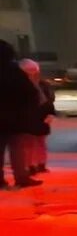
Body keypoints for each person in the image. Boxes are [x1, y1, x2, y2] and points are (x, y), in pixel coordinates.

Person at [1, 41, 43, 188]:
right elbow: (30, 93)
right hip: (15, 117)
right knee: (17, 149)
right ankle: (21, 177)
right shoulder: (14, 71)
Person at [19, 60, 55, 175]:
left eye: (35, 72)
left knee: (39, 142)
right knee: (28, 143)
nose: (33, 74)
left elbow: (49, 101)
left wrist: (51, 114)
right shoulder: (21, 85)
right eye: (30, 72)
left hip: (41, 116)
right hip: (28, 117)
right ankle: (30, 165)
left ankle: (40, 164)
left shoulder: (43, 85)